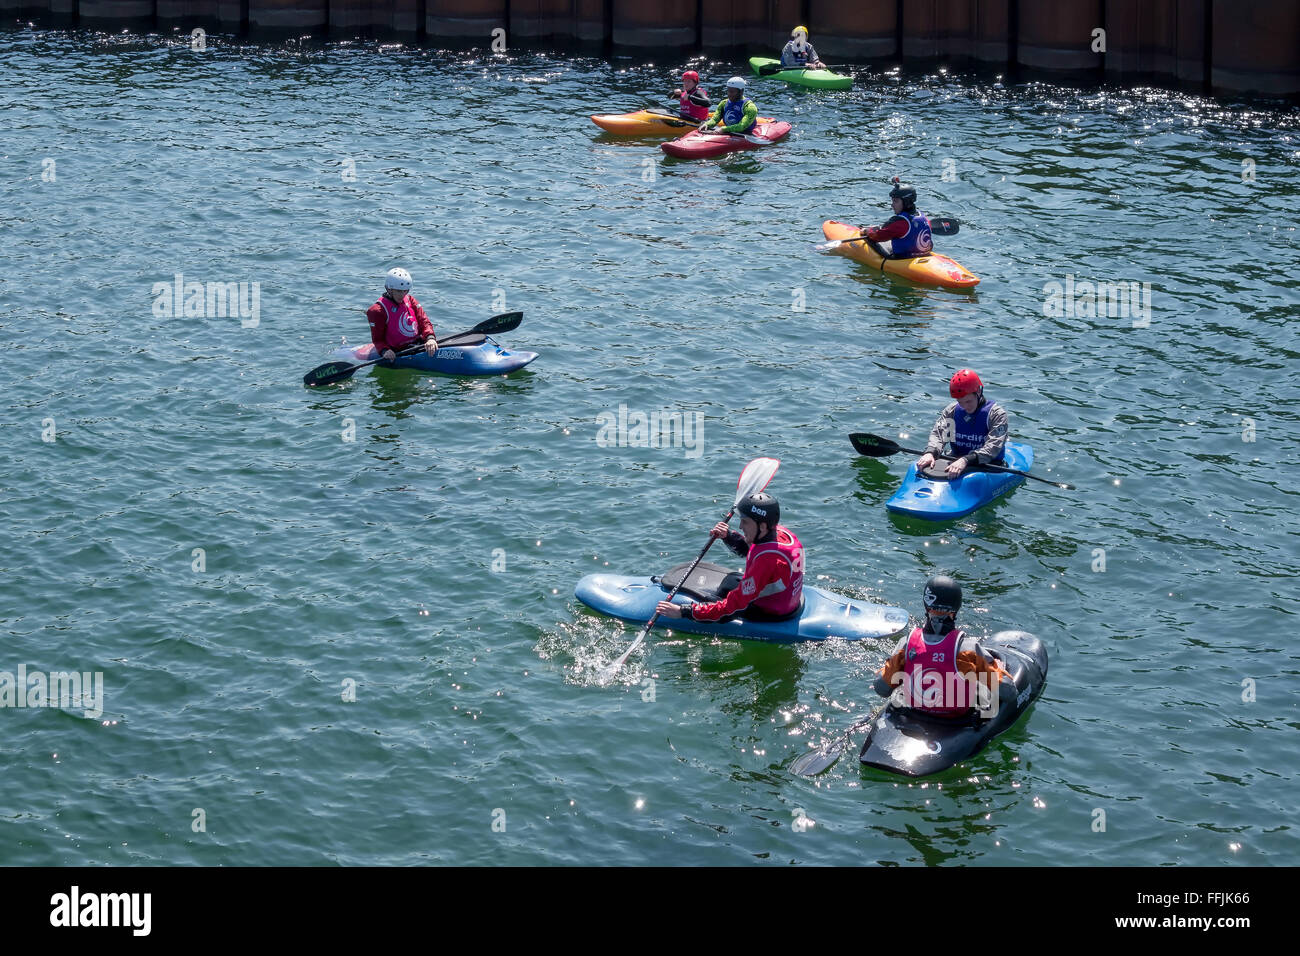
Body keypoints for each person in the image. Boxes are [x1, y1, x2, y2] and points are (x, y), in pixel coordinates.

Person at [872, 576, 1010, 718]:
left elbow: (881, 689)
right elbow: (1008, 693)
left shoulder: (906, 645)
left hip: (915, 713)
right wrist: (999, 668)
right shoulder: (968, 649)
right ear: (956, 608)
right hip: (956, 720)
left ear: (926, 605)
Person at [654, 493, 803, 623]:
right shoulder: (783, 534)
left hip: (769, 612)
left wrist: (684, 611)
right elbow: (753, 552)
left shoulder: (766, 561)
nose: (740, 526)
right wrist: (728, 536)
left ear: (762, 526)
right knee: (730, 582)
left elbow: (733, 608)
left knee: (709, 599)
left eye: (745, 521)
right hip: (786, 601)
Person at [916, 369, 1010, 478]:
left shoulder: (997, 415)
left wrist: (966, 460)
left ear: (978, 392)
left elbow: (993, 447)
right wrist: (931, 452)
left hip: (987, 465)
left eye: (968, 401)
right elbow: (939, 436)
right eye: (960, 402)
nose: (965, 407)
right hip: (955, 459)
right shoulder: (952, 411)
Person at [366, 267, 437, 363]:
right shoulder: (377, 311)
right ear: (389, 289)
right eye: (399, 291)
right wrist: (384, 350)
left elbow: (424, 322)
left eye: (405, 291)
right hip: (397, 352)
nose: (403, 295)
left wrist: (430, 338)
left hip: (418, 344)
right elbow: (378, 340)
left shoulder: (411, 300)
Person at [858, 178, 933, 258]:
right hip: (925, 255)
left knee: (869, 240)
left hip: (902, 259)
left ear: (906, 202)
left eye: (896, 201)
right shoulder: (923, 217)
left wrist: (867, 231)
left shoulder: (899, 223)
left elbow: (877, 236)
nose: (892, 205)